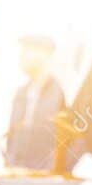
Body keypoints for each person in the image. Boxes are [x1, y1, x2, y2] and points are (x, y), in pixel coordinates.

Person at [5, 33, 66, 171]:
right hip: (18, 177)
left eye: (27, 51)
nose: (22, 56)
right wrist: (10, 164)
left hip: (48, 182)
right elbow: (12, 137)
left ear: (45, 54)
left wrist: (56, 171)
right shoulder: (21, 93)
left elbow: (76, 141)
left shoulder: (61, 93)